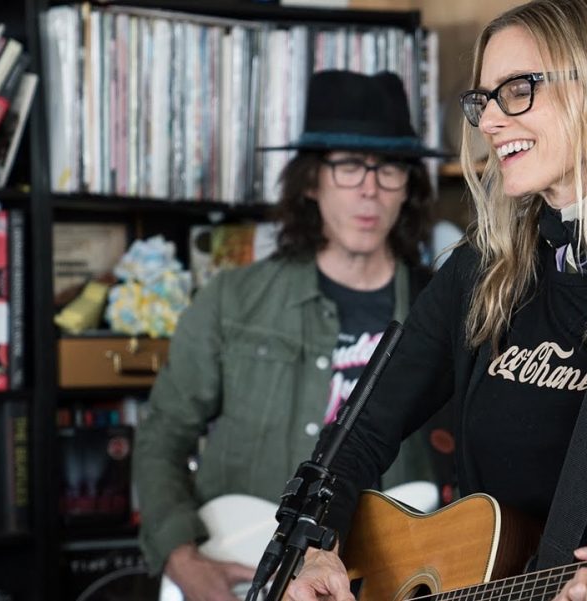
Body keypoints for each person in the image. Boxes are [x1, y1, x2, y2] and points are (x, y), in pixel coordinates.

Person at [287, 1, 587, 600]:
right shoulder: (479, 272)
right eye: (484, 99)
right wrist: (312, 548)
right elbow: (358, 435)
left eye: (516, 90)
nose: (489, 121)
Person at [133, 70, 447, 601]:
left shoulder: (441, 309)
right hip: (241, 570)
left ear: (408, 186)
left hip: (381, 578)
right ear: (310, 181)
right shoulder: (232, 301)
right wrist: (183, 560)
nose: (369, 189)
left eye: (389, 168)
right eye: (348, 167)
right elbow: (162, 437)